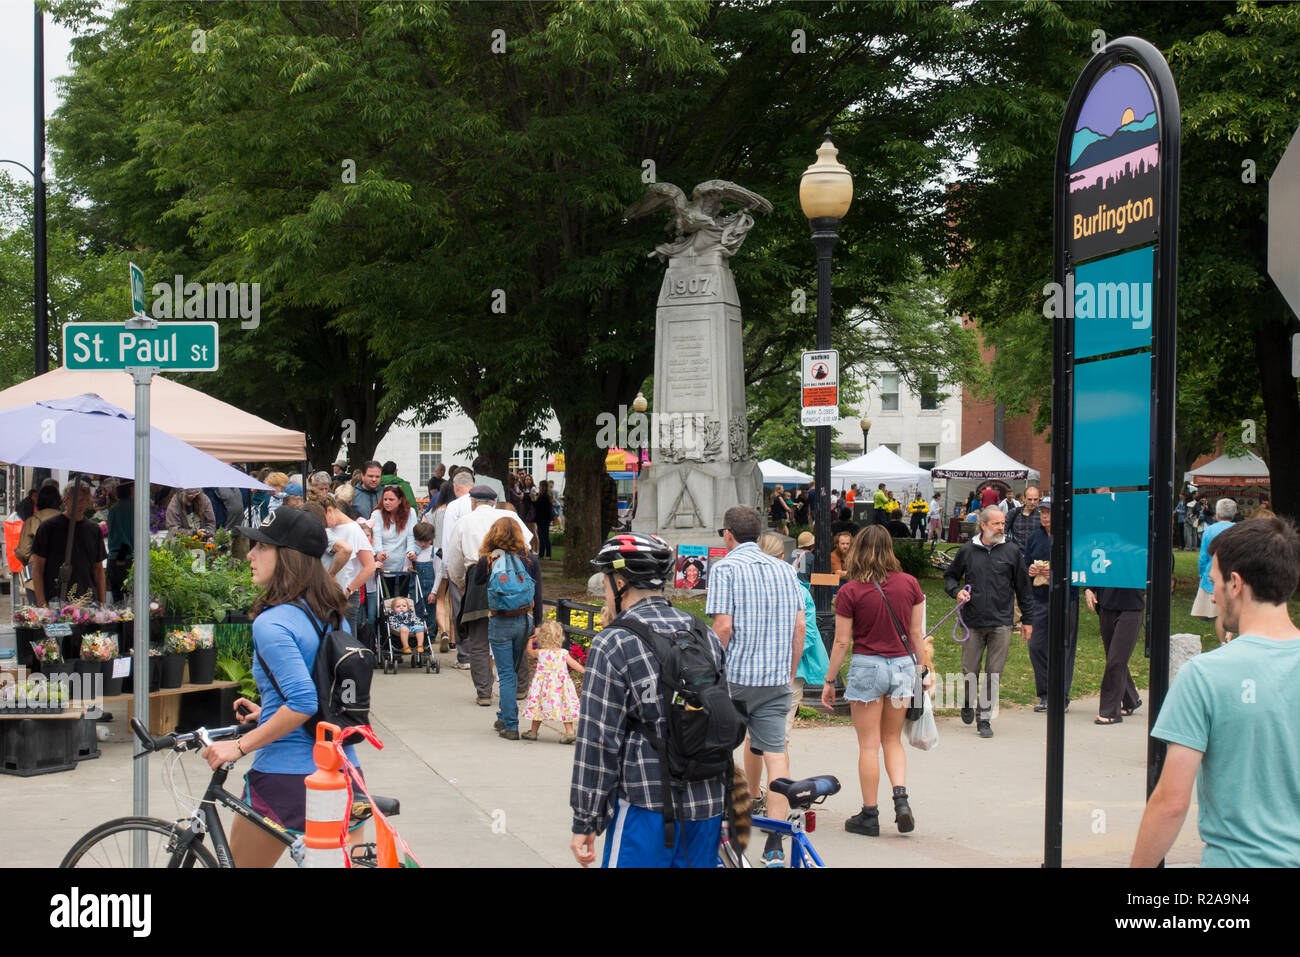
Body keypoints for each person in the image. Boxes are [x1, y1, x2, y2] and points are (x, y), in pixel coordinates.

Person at [1132, 517, 1300, 867]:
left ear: (1235, 584)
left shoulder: (1204, 675)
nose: (1212, 594)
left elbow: (1171, 802)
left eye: (1214, 582)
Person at [204, 505, 361, 866]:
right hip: (344, 770)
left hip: (285, 776)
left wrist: (238, 747)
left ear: (288, 558)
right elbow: (327, 695)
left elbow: (303, 701)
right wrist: (271, 709)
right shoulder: (334, 615)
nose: (251, 554)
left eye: (263, 547)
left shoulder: (272, 623)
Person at [571, 532, 728, 868]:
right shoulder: (704, 634)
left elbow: (597, 739)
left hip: (645, 804)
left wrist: (586, 819)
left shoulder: (614, 642)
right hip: (708, 804)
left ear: (620, 582)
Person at [707, 505, 805, 867]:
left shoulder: (726, 568)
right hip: (775, 680)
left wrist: (712, 672)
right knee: (776, 754)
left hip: (734, 679)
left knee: (717, 749)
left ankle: (721, 827)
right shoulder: (785, 570)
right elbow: (800, 629)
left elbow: (723, 628)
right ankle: (776, 842)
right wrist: (787, 671)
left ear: (728, 534)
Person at [823, 525, 930, 836]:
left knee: (868, 746)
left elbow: (842, 642)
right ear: (889, 548)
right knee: (892, 740)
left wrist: (830, 681)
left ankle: (869, 814)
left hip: (867, 668)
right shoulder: (910, 584)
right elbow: (914, 633)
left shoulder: (850, 591)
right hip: (901, 669)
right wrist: (920, 671)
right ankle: (901, 800)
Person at [943, 506, 1034, 738]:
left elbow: (1024, 588)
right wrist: (957, 592)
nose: (1002, 527)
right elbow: (950, 576)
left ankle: (984, 718)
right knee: (969, 671)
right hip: (972, 621)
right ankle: (967, 699)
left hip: (1001, 622)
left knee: (995, 672)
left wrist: (1027, 620)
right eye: (996, 524)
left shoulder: (1012, 551)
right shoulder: (967, 550)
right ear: (983, 525)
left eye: (1003, 523)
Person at [447, 488, 534, 706]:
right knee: (516, 638)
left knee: (478, 642)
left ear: (473, 502)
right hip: (512, 581)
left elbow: (454, 561)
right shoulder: (511, 517)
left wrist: (460, 584)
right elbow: (528, 546)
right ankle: (521, 688)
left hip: (479, 578)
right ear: (494, 502)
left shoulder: (464, 522)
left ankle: (484, 692)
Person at [474, 516, 543, 737]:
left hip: (500, 620)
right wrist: (538, 623)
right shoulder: (529, 559)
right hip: (524, 620)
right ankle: (503, 716)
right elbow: (538, 593)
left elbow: (476, 581)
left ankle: (511, 725)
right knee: (512, 670)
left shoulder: (490, 558)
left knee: (505, 674)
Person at [759, 535, 828, 748]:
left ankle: (754, 783)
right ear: (782, 557)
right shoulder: (800, 591)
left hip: (757, 667)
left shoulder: (749, 588)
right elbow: (806, 634)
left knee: (755, 735)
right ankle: (777, 780)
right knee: (781, 735)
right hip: (791, 669)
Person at [1022, 505, 1079, 711]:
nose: (1045, 516)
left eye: (1049, 512)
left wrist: (1056, 572)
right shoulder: (1035, 537)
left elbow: (1078, 565)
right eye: (1043, 513)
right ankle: (1046, 693)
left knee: (1064, 647)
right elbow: (1025, 562)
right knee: (1036, 645)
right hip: (1040, 599)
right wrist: (1030, 569)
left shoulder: (1068, 536)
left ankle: (1061, 695)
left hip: (1066, 599)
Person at [30, 482, 107, 606]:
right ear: (65, 501)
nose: (79, 504)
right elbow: (37, 568)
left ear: (88, 503)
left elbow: (98, 570)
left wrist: (102, 605)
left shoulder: (94, 530)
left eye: (83, 500)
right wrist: (42, 604)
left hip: (88, 602)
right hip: (56, 601)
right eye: (75, 499)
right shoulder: (48, 528)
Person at [312, 495, 375, 638]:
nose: (323, 524)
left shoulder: (353, 529)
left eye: (322, 519)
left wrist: (349, 590)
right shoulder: (331, 528)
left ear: (330, 510)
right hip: (327, 591)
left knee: (347, 637)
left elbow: (369, 566)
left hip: (346, 592)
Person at [1084, 584, 1144, 724]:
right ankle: (1130, 700)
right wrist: (1089, 588)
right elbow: (1096, 564)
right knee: (1114, 657)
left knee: (1116, 660)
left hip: (1132, 607)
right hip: (1106, 605)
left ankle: (1110, 711)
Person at [521, 620, 583, 743]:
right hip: (561, 687)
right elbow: (574, 664)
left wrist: (530, 641)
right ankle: (570, 732)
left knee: (538, 707)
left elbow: (530, 652)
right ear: (560, 637)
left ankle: (533, 732)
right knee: (565, 706)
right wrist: (585, 671)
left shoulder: (541, 653)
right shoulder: (563, 653)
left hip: (542, 688)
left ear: (541, 637)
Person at [1191, 498, 1238, 644]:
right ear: (1234, 513)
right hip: (1234, 575)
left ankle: (1222, 642)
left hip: (1213, 576)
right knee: (1232, 610)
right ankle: (1229, 637)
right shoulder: (1240, 530)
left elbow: (1203, 557)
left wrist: (1201, 574)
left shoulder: (1209, 531)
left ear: (1217, 514)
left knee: (1219, 614)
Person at [370, 485, 416, 604]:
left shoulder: (410, 513)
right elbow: (376, 536)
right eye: (385, 499)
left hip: (403, 564)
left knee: (402, 601)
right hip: (384, 565)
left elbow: (412, 535)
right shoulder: (377, 514)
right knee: (385, 602)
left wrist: (411, 552)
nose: (387, 502)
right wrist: (379, 552)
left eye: (391, 500)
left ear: (400, 500)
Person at [105, 482, 135, 603]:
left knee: (117, 603)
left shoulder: (113, 509)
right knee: (130, 603)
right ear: (132, 490)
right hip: (126, 557)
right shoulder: (136, 507)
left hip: (114, 558)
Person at [534, 480, 555, 558]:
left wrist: (533, 500)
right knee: (542, 536)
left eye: (540, 486)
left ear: (542, 487)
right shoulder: (546, 495)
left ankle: (548, 554)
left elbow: (537, 505)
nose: (539, 487)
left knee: (544, 536)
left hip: (543, 519)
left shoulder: (544, 496)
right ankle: (542, 553)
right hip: (543, 519)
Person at [599, 471, 619, 541]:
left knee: (601, 538)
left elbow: (603, 499)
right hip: (608, 517)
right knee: (603, 538)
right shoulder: (610, 480)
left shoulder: (603, 481)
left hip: (603, 515)